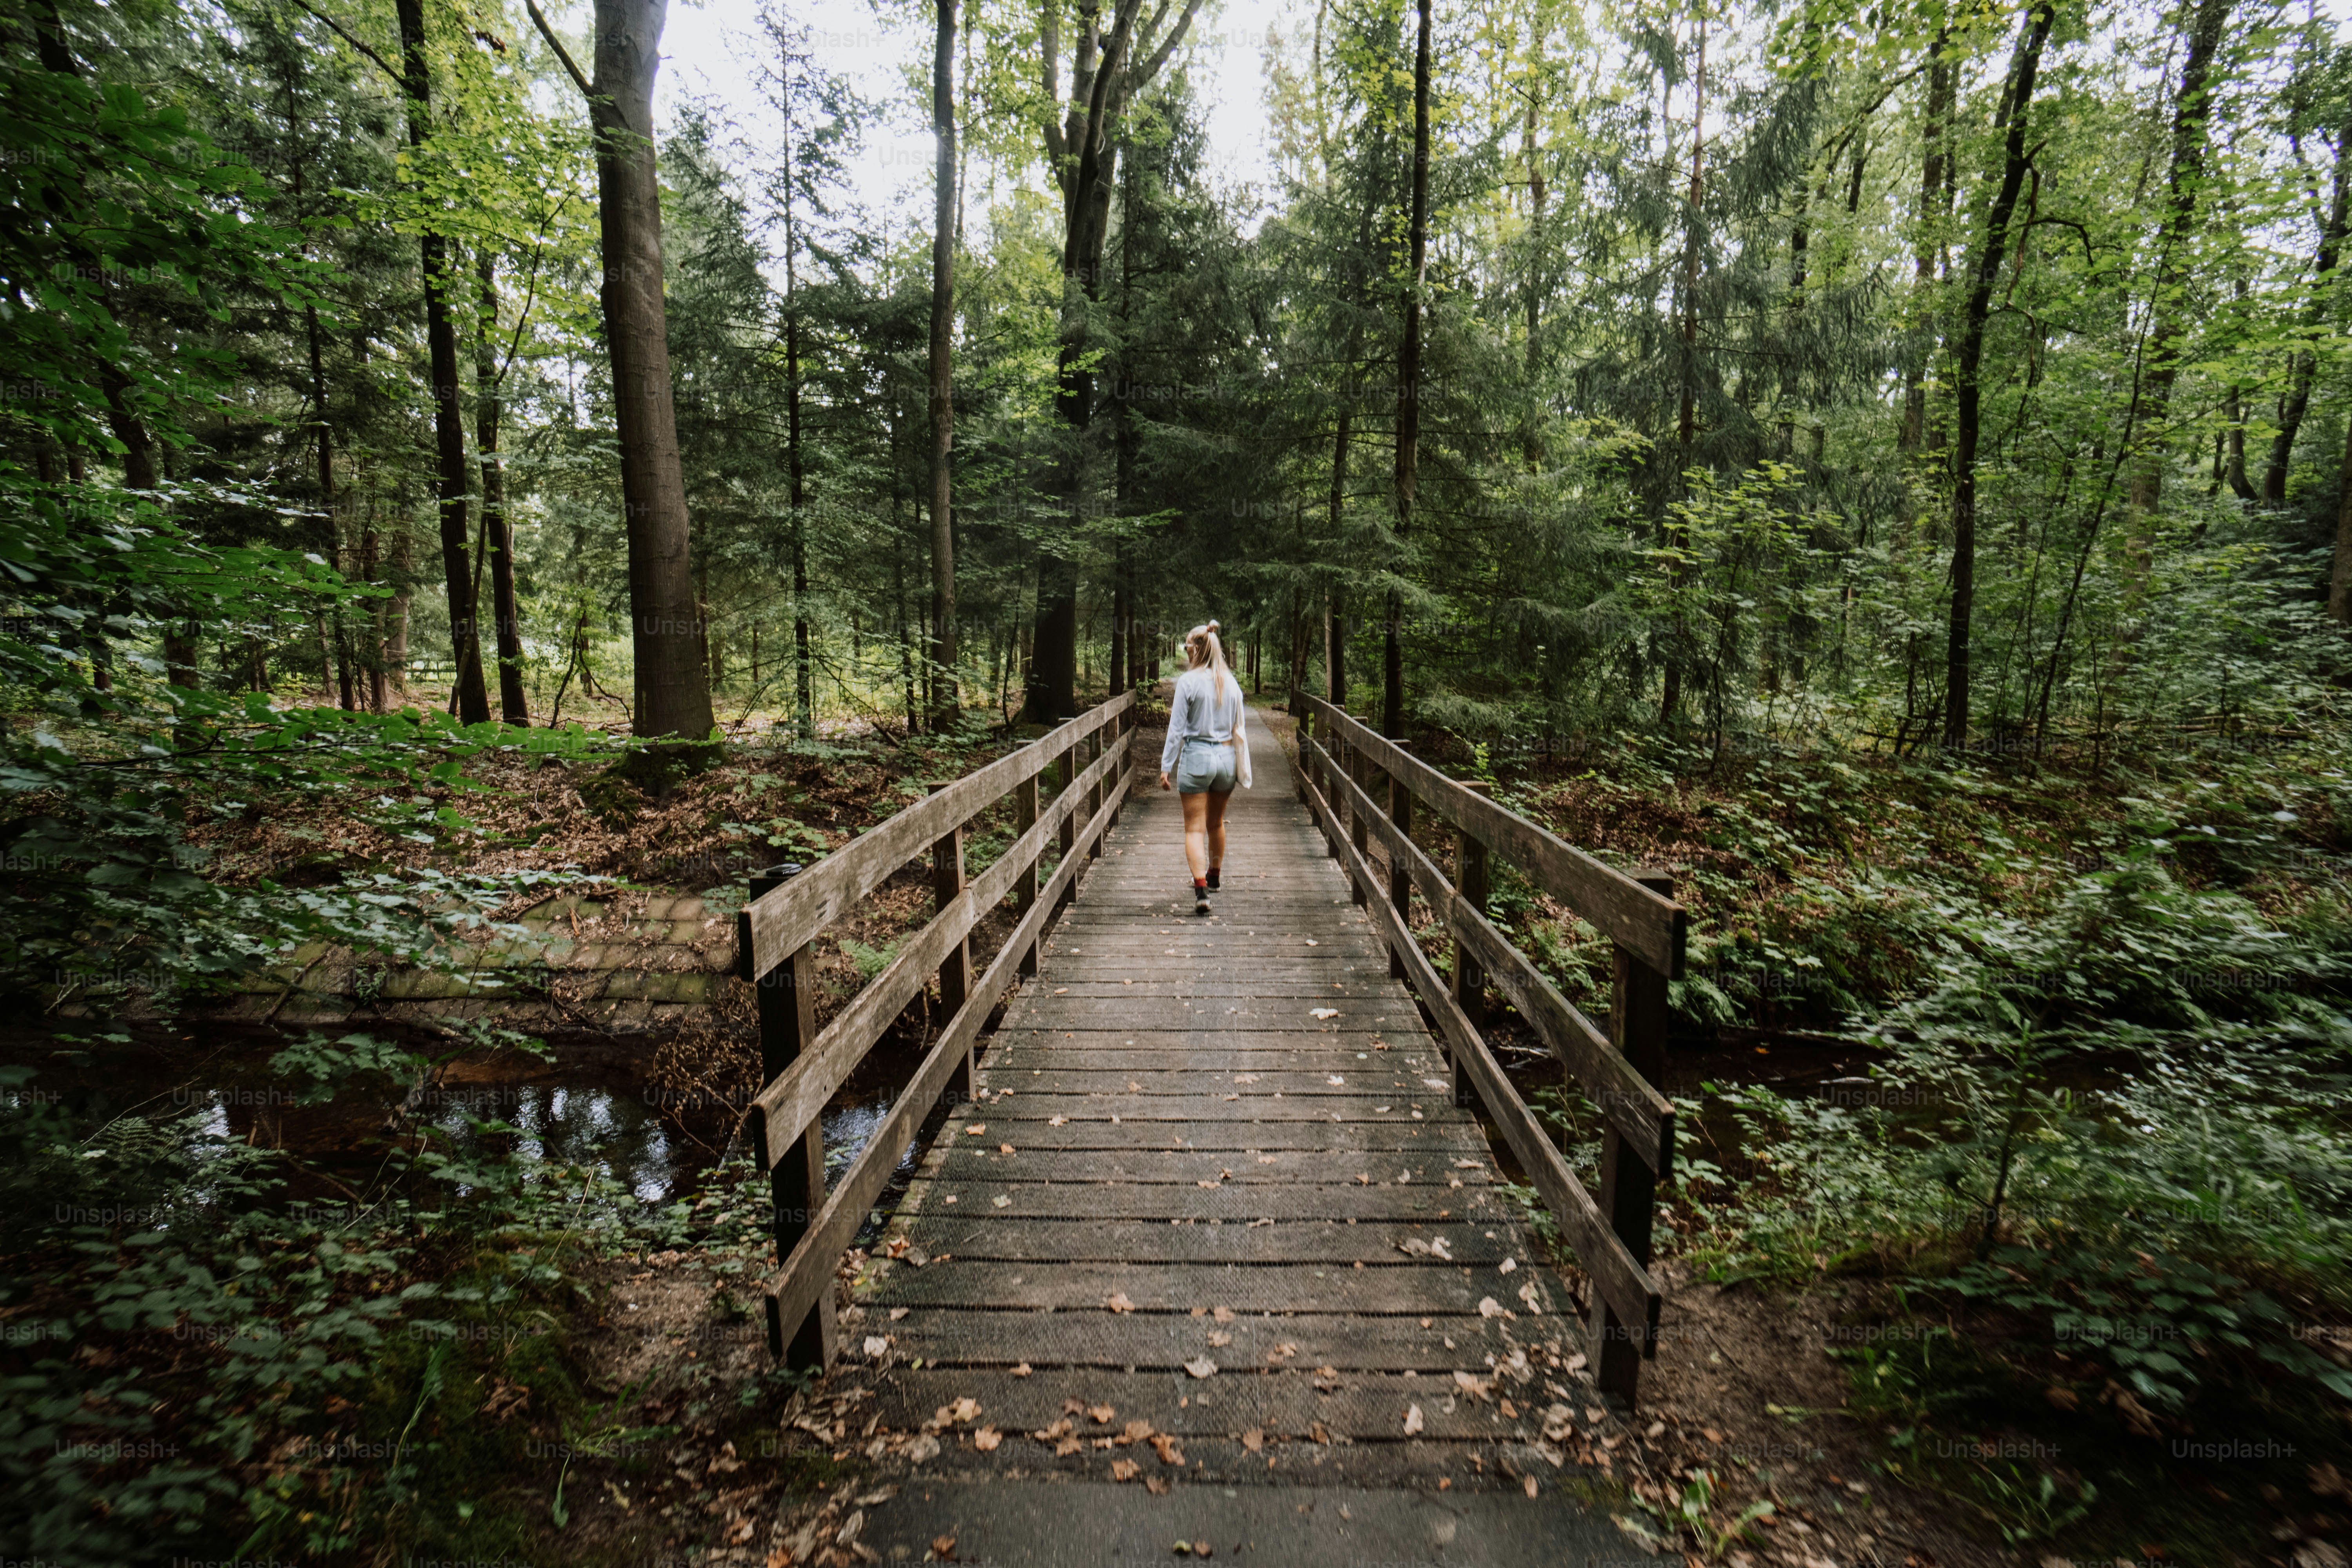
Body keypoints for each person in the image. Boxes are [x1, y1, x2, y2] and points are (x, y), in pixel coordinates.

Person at [1158, 621, 1253, 914]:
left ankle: (1201, 890)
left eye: (1187, 646)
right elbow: (1240, 728)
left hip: (1197, 758)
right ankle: (1214, 877)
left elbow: (1176, 730)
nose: (1186, 651)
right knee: (1217, 823)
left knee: (1194, 830)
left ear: (1197, 648)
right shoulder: (1231, 683)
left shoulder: (1188, 682)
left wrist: (1166, 766)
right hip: (1226, 760)